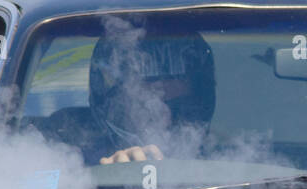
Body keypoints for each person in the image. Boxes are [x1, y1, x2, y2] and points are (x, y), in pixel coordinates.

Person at [76, 32, 217, 165]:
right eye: (145, 108)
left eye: (178, 109)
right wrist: (111, 175)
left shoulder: (229, 166)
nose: (164, 119)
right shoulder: (77, 160)